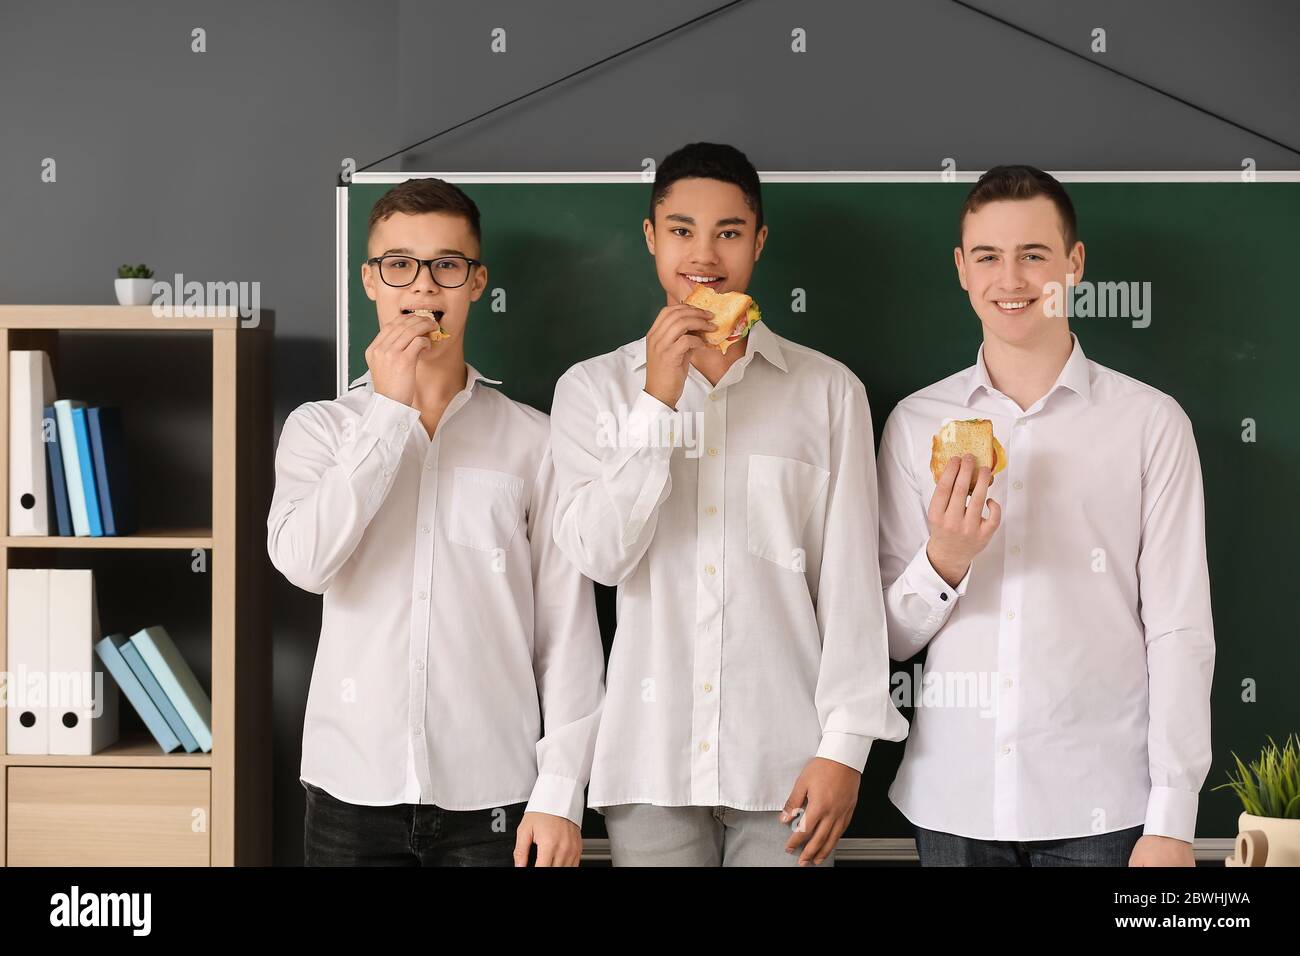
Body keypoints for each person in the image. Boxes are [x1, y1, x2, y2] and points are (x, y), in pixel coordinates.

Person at [548, 142, 908, 867]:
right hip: (649, 756)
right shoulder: (591, 390)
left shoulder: (829, 392)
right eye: (681, 230)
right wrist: (657, 399)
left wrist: (845, 748)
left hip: (788, 758)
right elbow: (598, 556)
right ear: (651, 239)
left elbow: (849, 590)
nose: (703, 254)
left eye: (729, 232)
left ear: (759, 241)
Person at [878, 165, 1214, 866]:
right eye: (988, 257)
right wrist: (944, 559)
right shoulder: (915, 425)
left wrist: (1174, 818)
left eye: (1033, 255)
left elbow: (1180, 631)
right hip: (954, 802)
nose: (1011, 279)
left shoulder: (1150, 424)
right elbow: (886, 639)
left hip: (1108, 807)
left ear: (1075, 264)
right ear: (961, 271)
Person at [268, 177, 604, 866]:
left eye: (446, 266)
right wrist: (389, 415)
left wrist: (562, 792)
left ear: (476, 282)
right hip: (349, 790)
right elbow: (305, 564)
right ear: (370, 281)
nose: (423, 288)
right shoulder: (320, 431)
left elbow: (567, 633)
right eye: (399, 265)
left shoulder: (534, 442)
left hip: (495, 798)